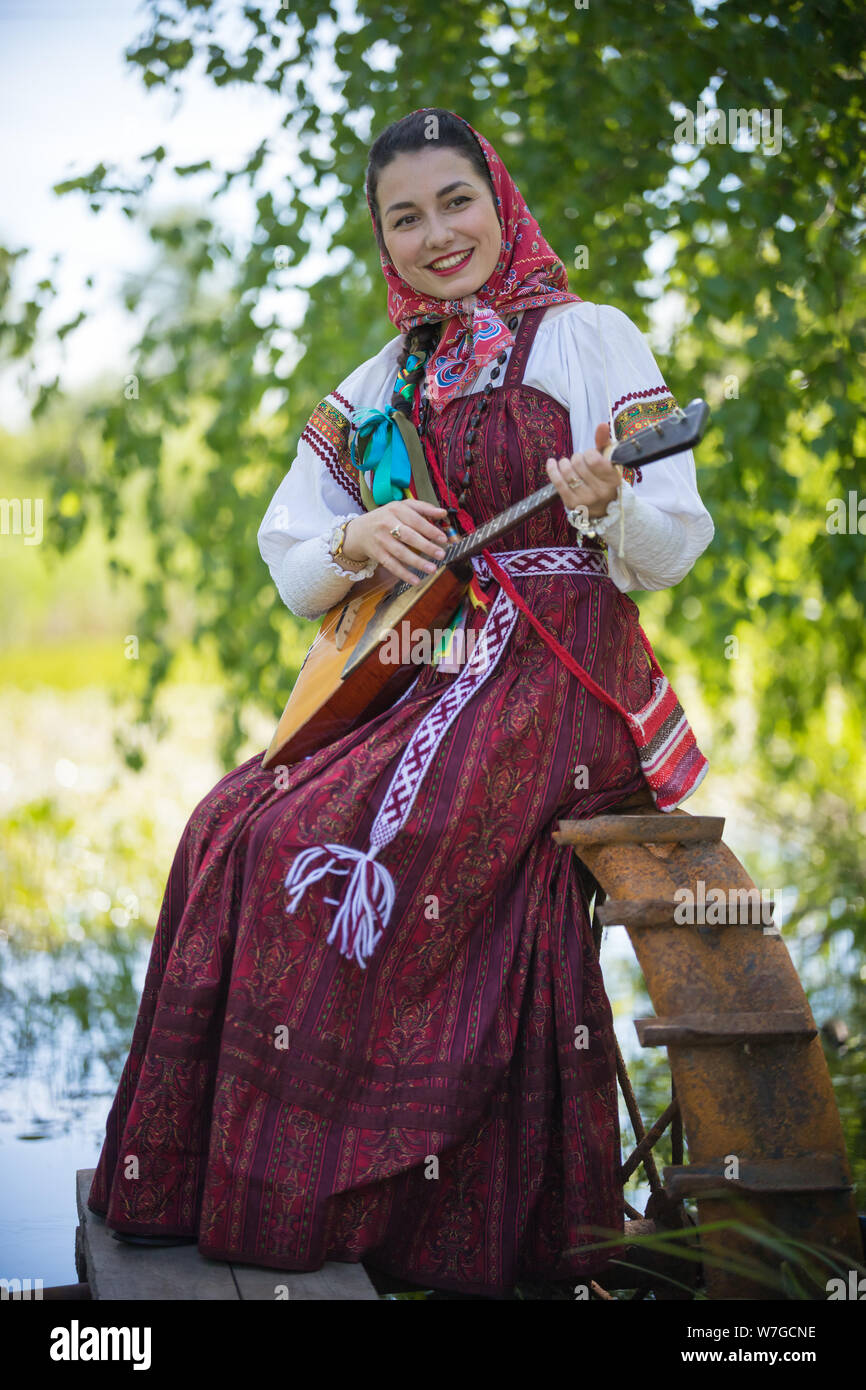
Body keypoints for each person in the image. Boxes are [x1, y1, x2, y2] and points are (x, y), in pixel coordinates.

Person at [87, 107, 714, 1298]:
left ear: (499, 199)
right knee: (237, 821)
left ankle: (356, 1192)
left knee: (359, 837)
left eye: (455, 203)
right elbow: (289, 549)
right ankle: (238, 1181)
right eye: (405, 217)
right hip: (428, 659)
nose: (437, 236)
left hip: (561, 670)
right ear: (381, 236)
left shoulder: (591, 340)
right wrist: (360, 533)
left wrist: (602, 504)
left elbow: (669, 539)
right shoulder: (387, 374)